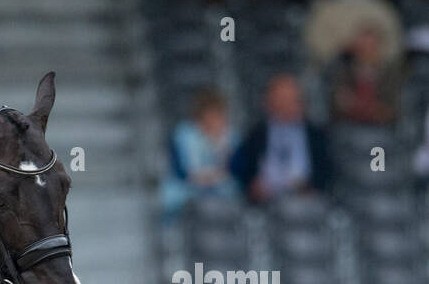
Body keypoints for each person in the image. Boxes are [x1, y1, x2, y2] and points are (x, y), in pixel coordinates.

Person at [230, 74, 331, 202]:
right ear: (268, 103)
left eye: (292, 99)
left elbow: (325, 173)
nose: (286, 105)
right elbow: (241, 170)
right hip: (266, 203)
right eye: (280, 99)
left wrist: (309, 186)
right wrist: (252, 186)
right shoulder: (256, 135)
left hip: (305, 201)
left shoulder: (316, 136)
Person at [161, 87, 240, 218]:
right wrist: (200, 178)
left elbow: (236, 167)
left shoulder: (231, 136)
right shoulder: (183, 135)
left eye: (217, 115)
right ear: (199, 116)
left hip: (222, 189)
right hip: (188, 189)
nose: (213, 120)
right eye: (209, 115)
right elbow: (179, 171)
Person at [327, 22, 402, 124]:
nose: (366, 50)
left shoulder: (390, 73)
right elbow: (338, 102)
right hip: (347, 126)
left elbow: (392, 108)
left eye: (371, 45)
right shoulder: (344, 69)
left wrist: (371, 108)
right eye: (362, 45)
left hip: (380, 128)